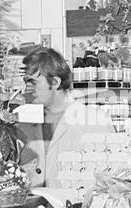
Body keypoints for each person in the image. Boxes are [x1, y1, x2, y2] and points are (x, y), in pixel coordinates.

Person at [18, 46, 93, 189]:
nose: (27, 88)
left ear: (55, 82)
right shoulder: (24, 122)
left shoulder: (91, 120)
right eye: (26, 81)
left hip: (73, 207)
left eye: (33, 82)